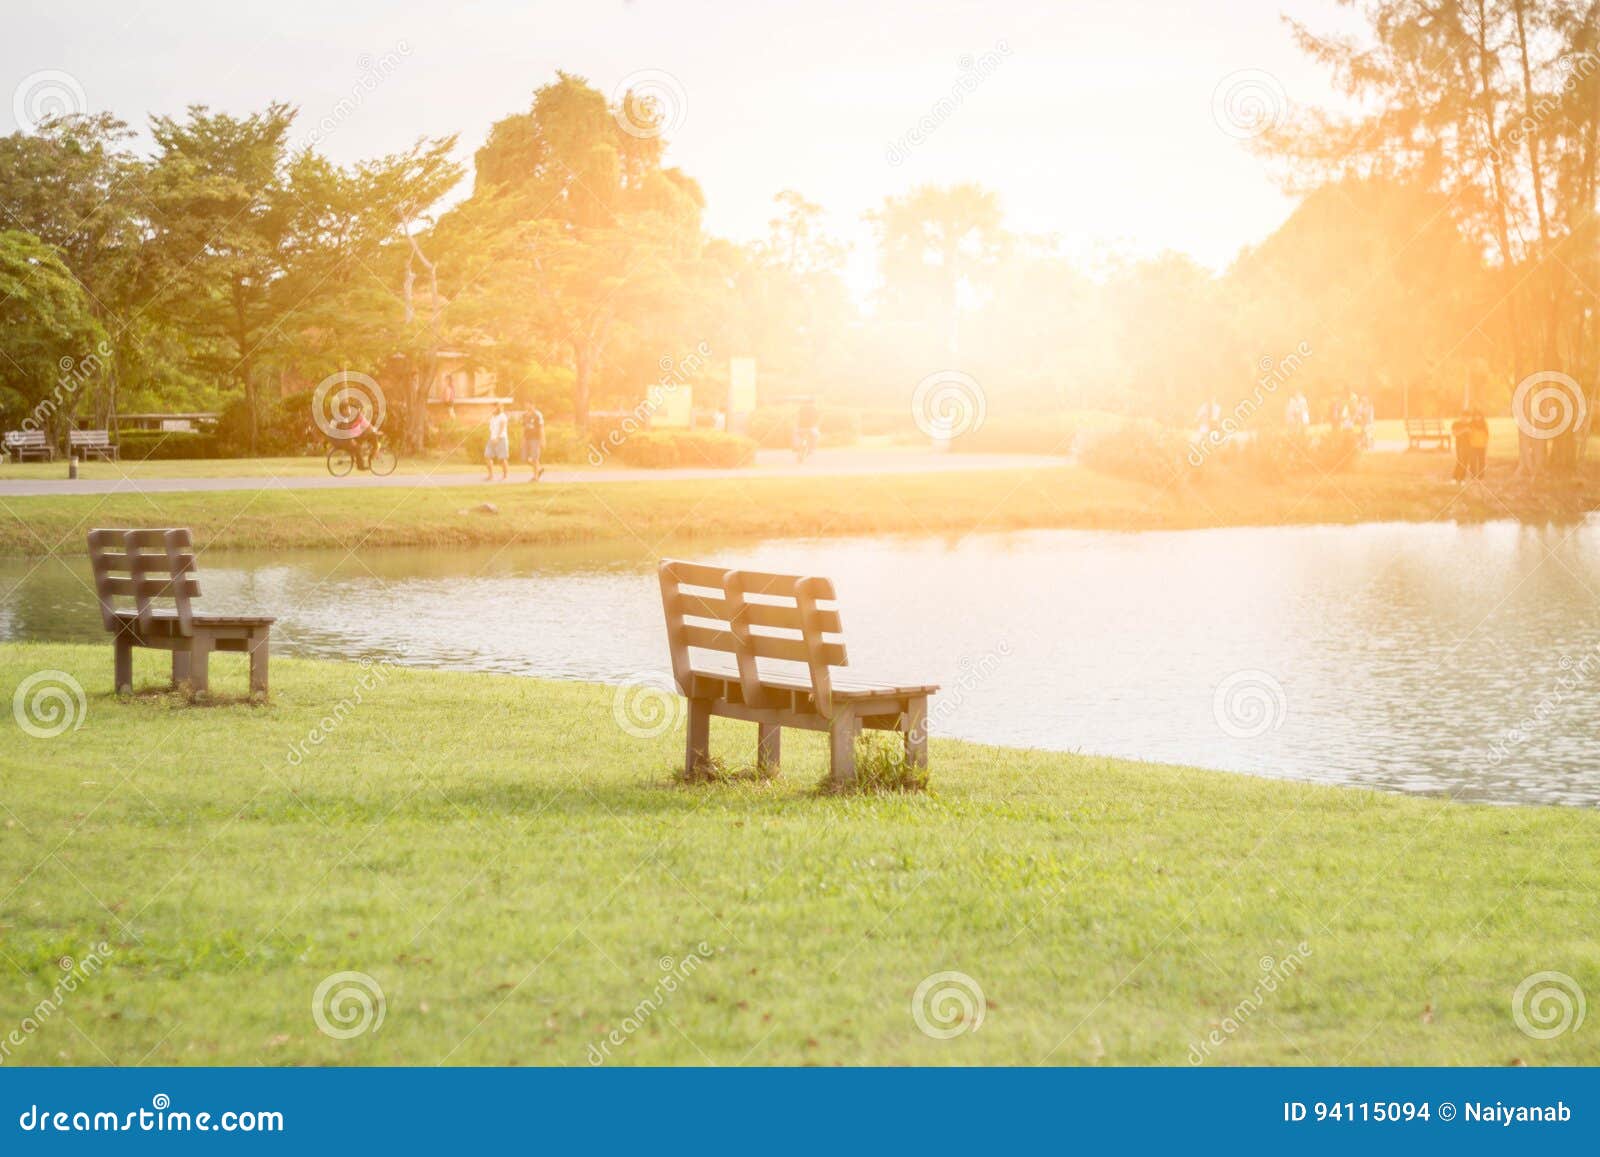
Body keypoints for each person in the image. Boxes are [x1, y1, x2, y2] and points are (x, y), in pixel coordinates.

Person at [484, 403, 509, 481]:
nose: (493, 409)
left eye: (495, 407)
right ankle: (490, 475)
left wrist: (497, 438)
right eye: (493, 408)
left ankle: (505, 476)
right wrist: (492, 438)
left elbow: (502, 428)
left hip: (501, 438)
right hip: (492, 438)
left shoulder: (503, 416)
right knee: (487, 456)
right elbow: (491, 429)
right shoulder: (492, 417)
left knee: (502, 459)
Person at [521, 404, 545, 482]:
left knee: (535, 458)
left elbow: (541, 427)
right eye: (527, 404)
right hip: (527, 438)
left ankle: (535, 477)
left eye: (530, 404)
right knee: (525, 459)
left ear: (533, 405)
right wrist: (523, 439)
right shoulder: (524, 415)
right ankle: (539, 468)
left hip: (535, 438)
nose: (528, 406)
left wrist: (542, 439)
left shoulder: (538, 415)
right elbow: (524, 428)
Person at [794, 397, 821, 462]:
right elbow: (817, 419)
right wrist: (816, 425)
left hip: (800, 428)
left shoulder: (801, 408)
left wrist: (796, 426)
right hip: (810, 428)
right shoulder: (815, 409)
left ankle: (797, 448)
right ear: (813, 403)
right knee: (817, 436)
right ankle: (811, 449)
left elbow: (797, 417)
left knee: (798, 436)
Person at [1467, 408, 1490, 479]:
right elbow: (1468, 434)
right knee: (1472, 461)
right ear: (1473, 416)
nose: (1477, 417)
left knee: (1481, 461)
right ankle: (1473, 475)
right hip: (1473, 445)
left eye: (1479, 416)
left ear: (1481, 416)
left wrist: (1485, 443)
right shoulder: (1470, 424)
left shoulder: (1484, 424)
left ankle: (1481, 475)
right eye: (1475, 416)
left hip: (1482, 445)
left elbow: (1487, 435)